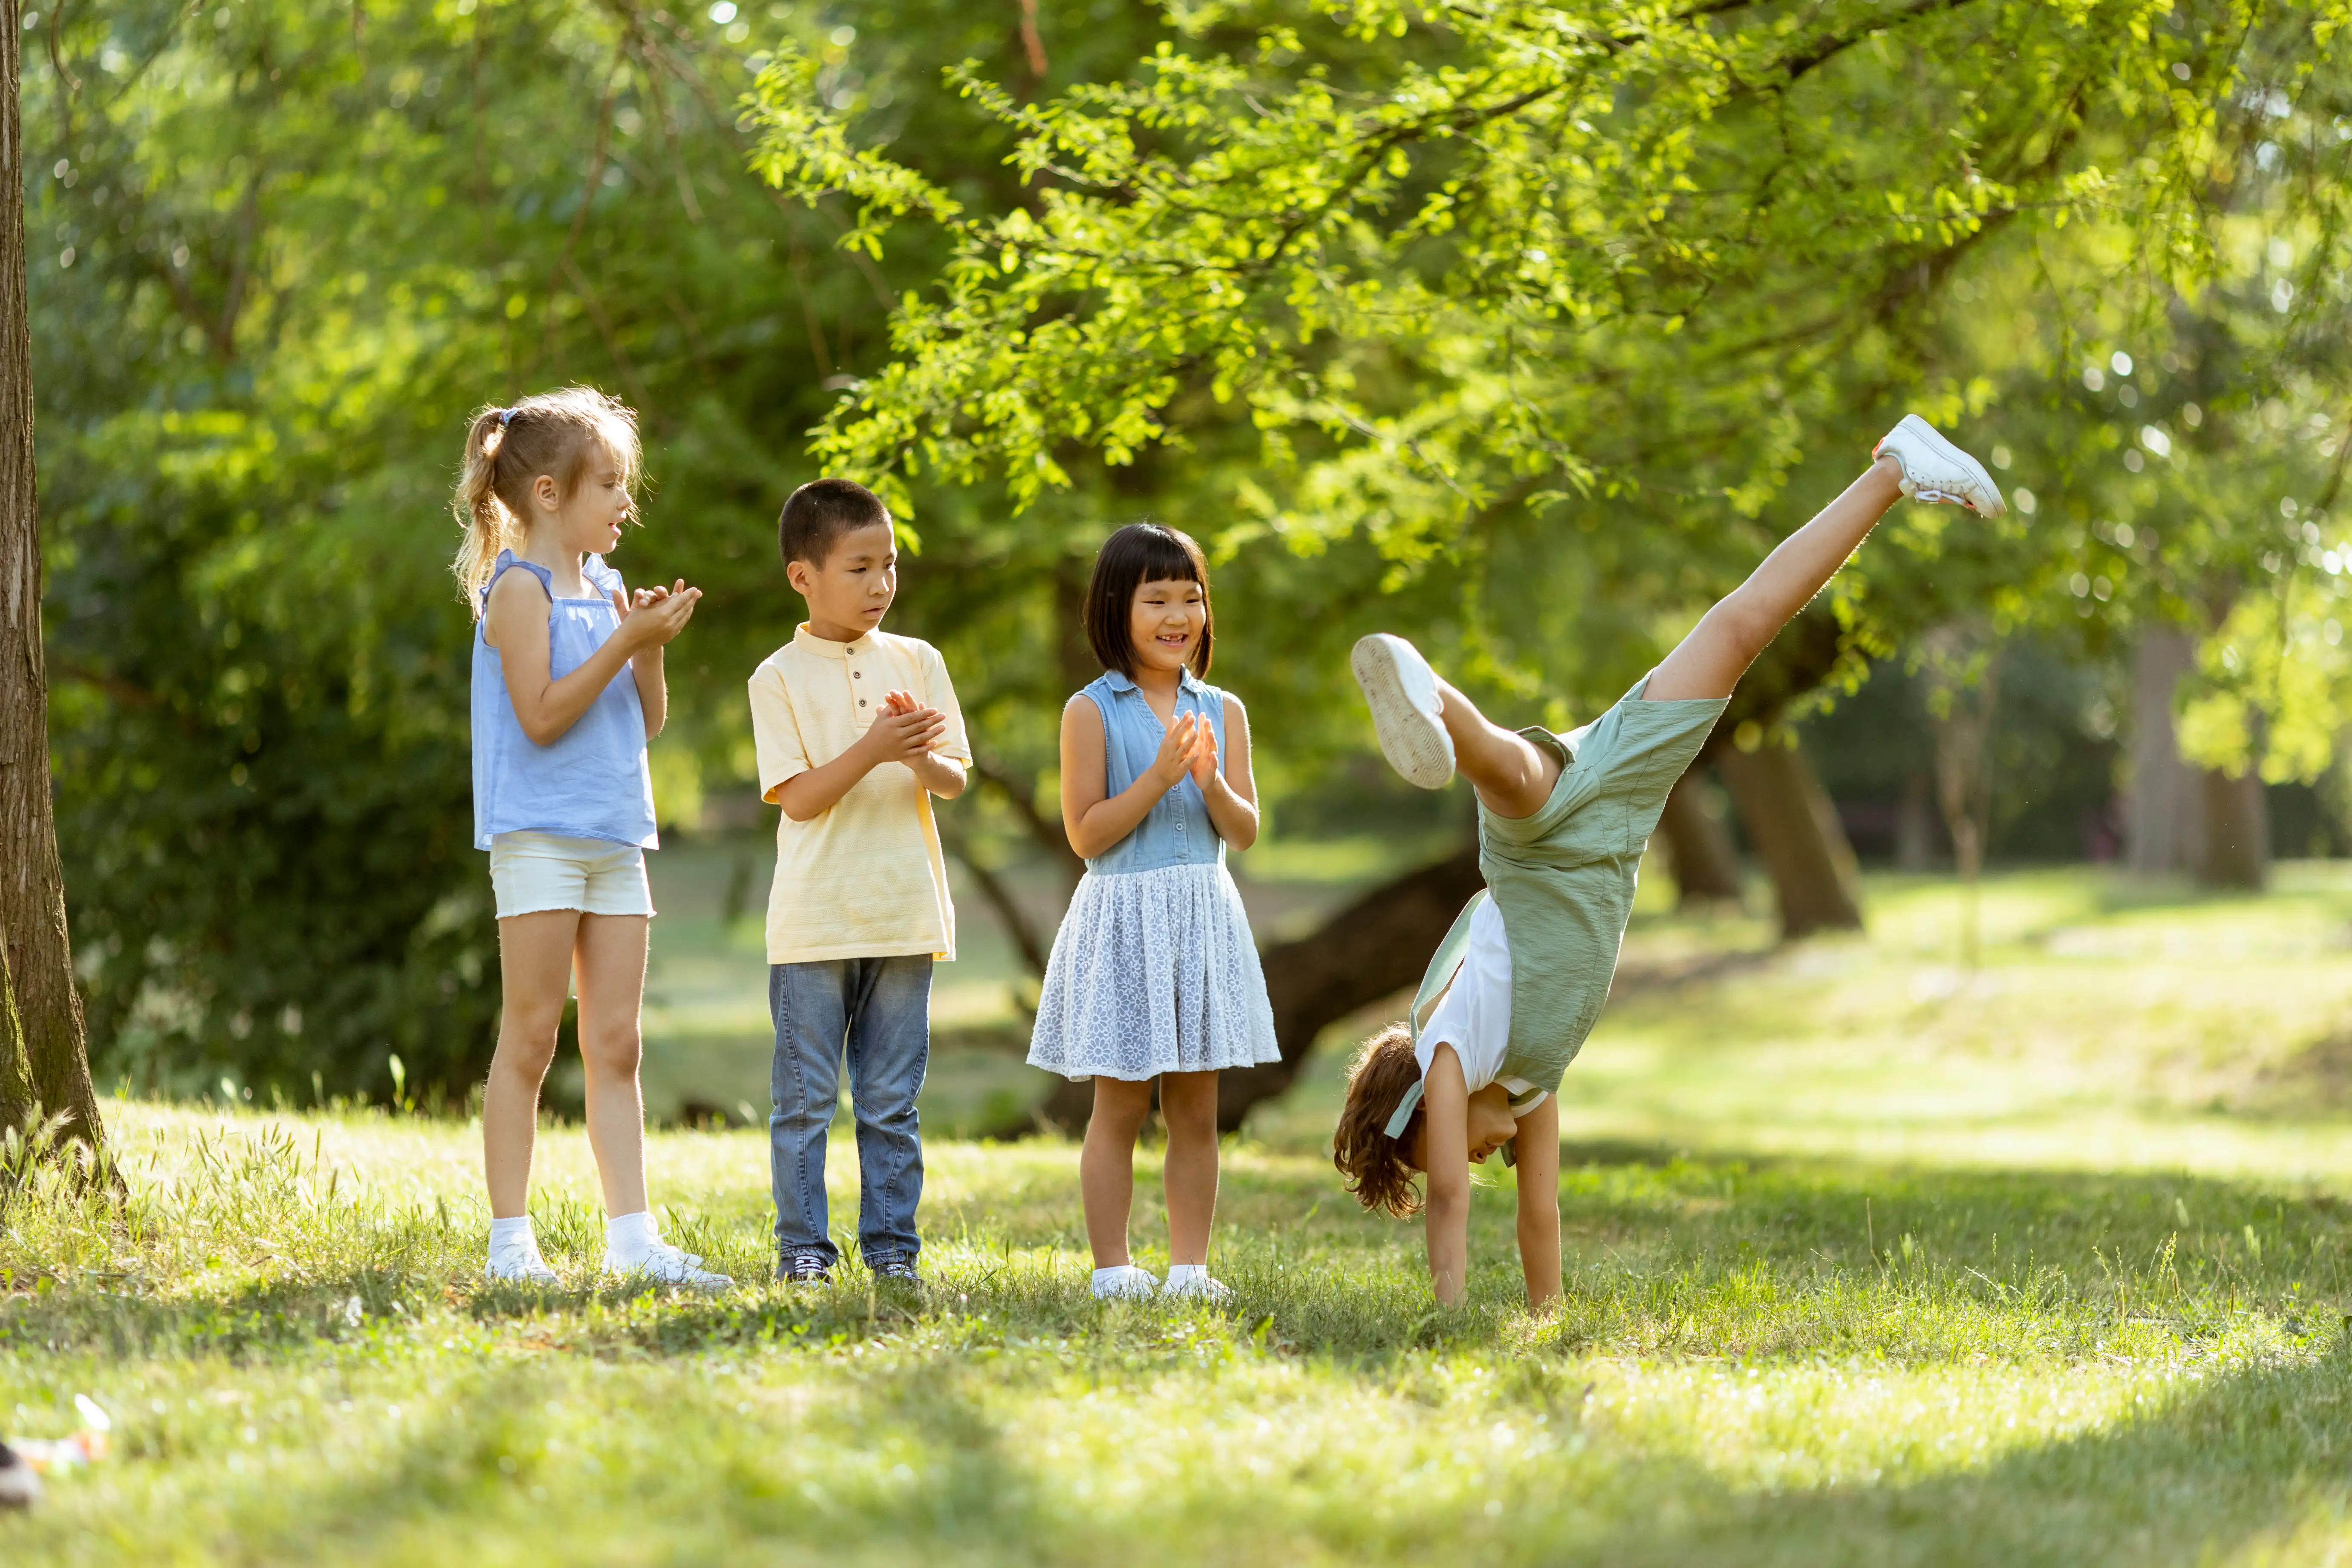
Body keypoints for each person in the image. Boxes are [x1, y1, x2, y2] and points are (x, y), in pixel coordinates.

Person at [1330, 416, 2008, 1307]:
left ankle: (1426, 690)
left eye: (1454, 1145)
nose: (1478, 1158)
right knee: (1738, 631)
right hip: (1610, 828)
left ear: (1429, 1112)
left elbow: (1450, 1199)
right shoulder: (1530, 1083)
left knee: (1512, 774)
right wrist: (1546, 1318)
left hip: (1540, 854)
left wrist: (1450, 1314)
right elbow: (1543, 1213)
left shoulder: (1450, 1050)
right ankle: (1892, 467)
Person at [459, 386, 731, 1289]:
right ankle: (510, 1244)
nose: (627, 503)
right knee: (531, 1039)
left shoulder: (610, 588)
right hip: (539, 837)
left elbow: (645, 723)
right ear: (547, 495)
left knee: (617, 1044)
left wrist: (646, 647)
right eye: (609, 485)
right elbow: (539, 718)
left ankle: (633, 1238)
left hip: (617, 835)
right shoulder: (518, 589)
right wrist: (624, 645)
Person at [1028, 524, 1282, 1302]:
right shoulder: (1090, 710)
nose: (1179, 615)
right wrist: (1158, 776)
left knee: (1197, 1106)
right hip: (1125, 919)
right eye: (1157, 599)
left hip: (1201, 915)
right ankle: (1112, 1270)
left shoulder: (1225, 709)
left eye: (1192, 598)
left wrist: (1207, 782)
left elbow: (1243, 830)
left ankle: (1189, 1270)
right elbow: (1086, 834)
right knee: (1120, 1103)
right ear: (1118, 607)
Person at [750, 478, 969, 1287]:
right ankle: (804, 1246)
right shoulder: (774, 678)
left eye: (890, 566)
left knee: (890, 1103)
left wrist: (913, 754)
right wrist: (875, 747)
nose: (881, 585)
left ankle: (892, 1253)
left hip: (906, 913)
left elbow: (952, 782)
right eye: (859, 568)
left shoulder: (920, 662)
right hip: (813, 920)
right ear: (803, 577)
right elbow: (800, 798)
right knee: (805, 1103)